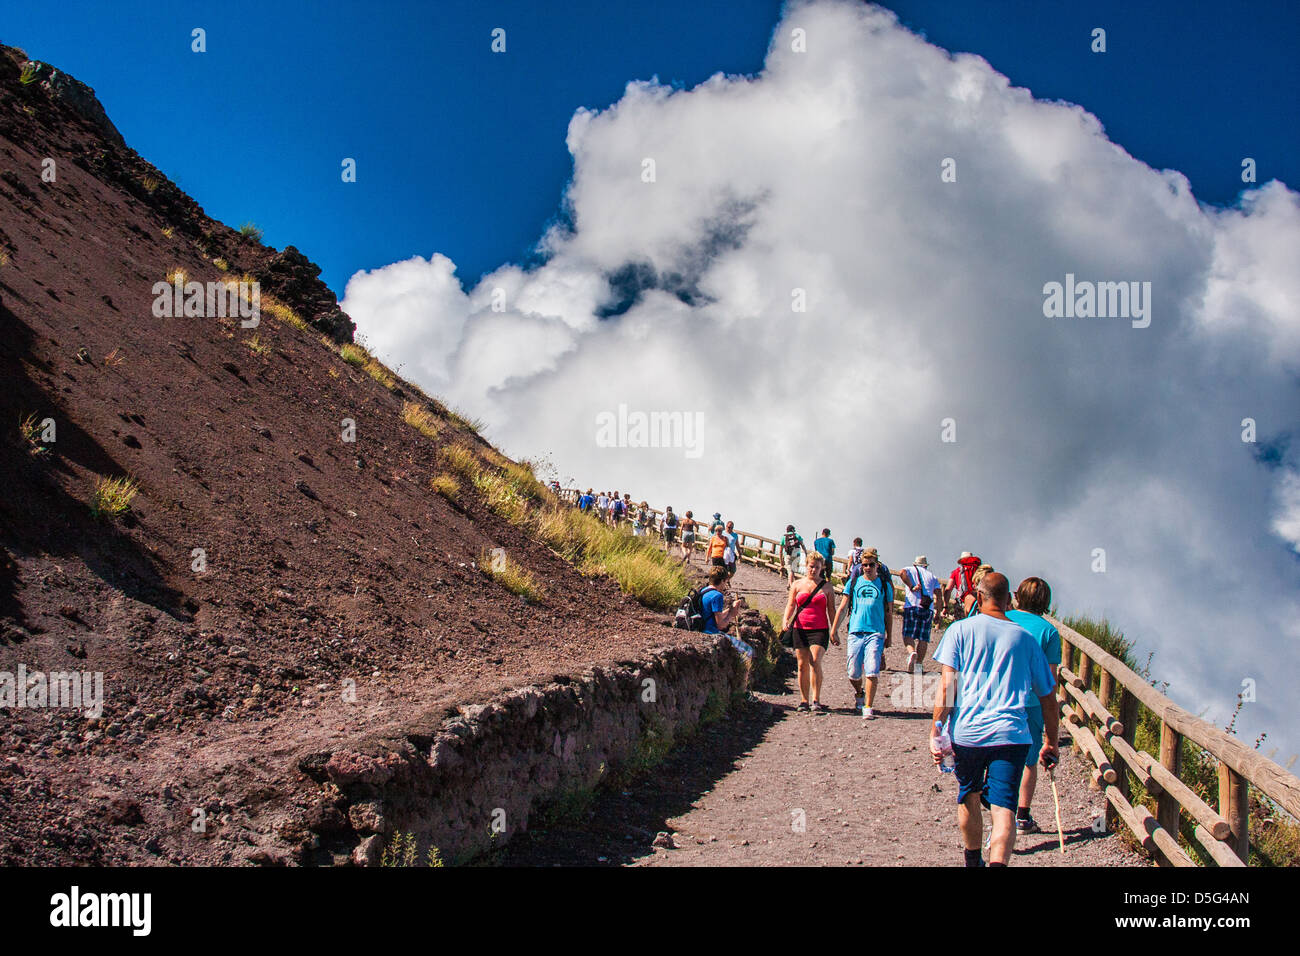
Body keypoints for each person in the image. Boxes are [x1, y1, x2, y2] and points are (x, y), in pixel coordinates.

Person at [930, 572, 1059, 867]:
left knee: (969, 797)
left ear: (979, 593)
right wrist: (1051, 741)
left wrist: (936, 730)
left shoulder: (959, 631)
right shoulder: (1026, 639)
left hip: (968, 733)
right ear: (1008, 597)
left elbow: (948, 686)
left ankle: (972, 861)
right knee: (1004, 809)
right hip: (1012, 734)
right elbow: (1048, 698)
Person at [1005, 577, 1062, 835]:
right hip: (1032, 702)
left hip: (1000, 696)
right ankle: (1022, 816)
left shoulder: (1003, 619)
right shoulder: (1049, 631)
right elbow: (1050, 678)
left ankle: (1000, 810)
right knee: (1028, 760)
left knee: (1001, 752)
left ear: (1018, 595)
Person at [829, 547, 893, 719]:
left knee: (872, 670)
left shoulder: (885, 586)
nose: (868, 568)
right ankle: (859, 692)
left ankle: (868, 707)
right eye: (865, 565)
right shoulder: (854, 582)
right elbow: (842, 607)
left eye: (871, 565)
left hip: (875, 632)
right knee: (853, 673)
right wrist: (834, 629)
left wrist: (889, 635)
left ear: (877, 565)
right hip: (856, 631)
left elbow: (889, 612)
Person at [781, 552, 836, 713]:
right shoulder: (797, 585)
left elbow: (831, 609)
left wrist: (834, 630)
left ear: (822, 568)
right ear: (806, 565)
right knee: (801, 664)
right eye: (811, 566)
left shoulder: (827, 587)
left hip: (820, 629)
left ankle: (816, 699)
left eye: (817, 567)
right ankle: (804, 700)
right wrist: (786, 619)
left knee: (814, 660)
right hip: (800, 628)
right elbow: (790, 604)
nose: (814, 570)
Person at [898, 556, 941, 671]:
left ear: (915, 564)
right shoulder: (932, 576)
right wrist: (939, 612)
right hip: (928, 608)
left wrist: (911, 586)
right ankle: (918, 665)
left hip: (912, 605)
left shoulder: (910, 569)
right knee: (923, 638)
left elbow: (901, 572)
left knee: (908, 634)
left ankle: (912, 652)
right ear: (926, 565)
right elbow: (939, 594)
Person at [700, 567, 751, 658]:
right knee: (748, 651)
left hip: (701, 628)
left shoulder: (704, 591)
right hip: (710, 632)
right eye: (726, 582)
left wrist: (731, 609)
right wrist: (732, 614)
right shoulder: (717, 596)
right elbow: (721, 625)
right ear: (723, 581)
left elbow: (712, 615)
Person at [945, 552, 982, 617]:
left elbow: (948, 589)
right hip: (976, 601)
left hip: (961, 601)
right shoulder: (978, 571)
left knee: (960, 622)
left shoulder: (957, 571)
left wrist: (945, 606)